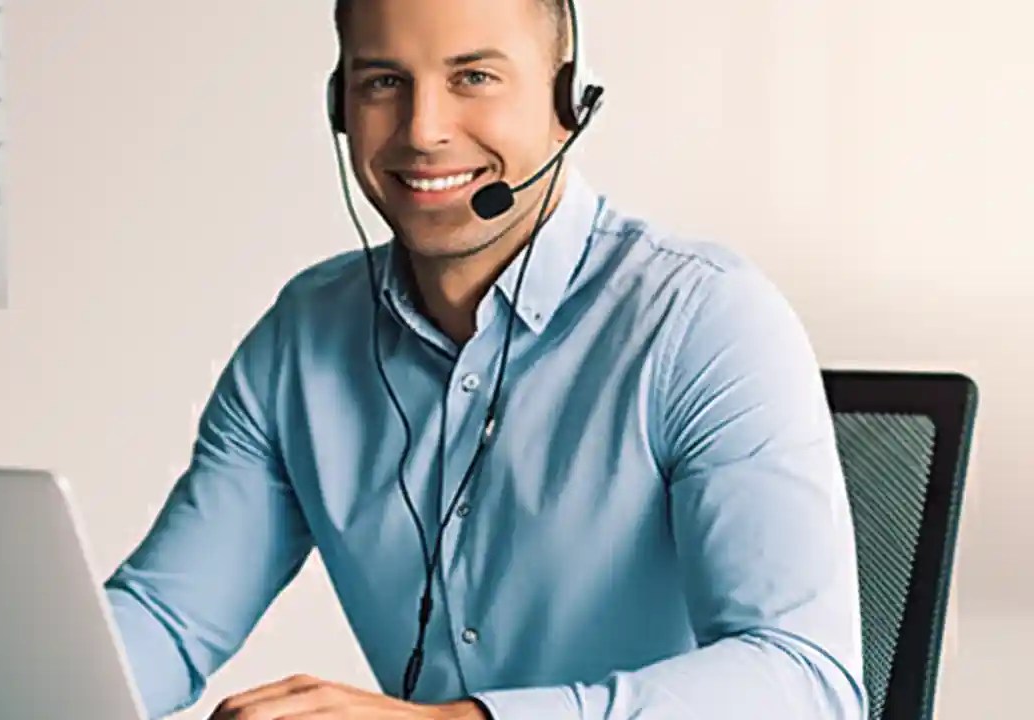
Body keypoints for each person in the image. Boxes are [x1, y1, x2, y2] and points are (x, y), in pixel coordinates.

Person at [103, 0, 868, 718]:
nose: (423, 130)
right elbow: (168, 620)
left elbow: (804, 682)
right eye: (383, 82)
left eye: (472, 77)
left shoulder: (702, 319)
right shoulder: (304, 337)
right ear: (340, 106)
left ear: (568, 103)